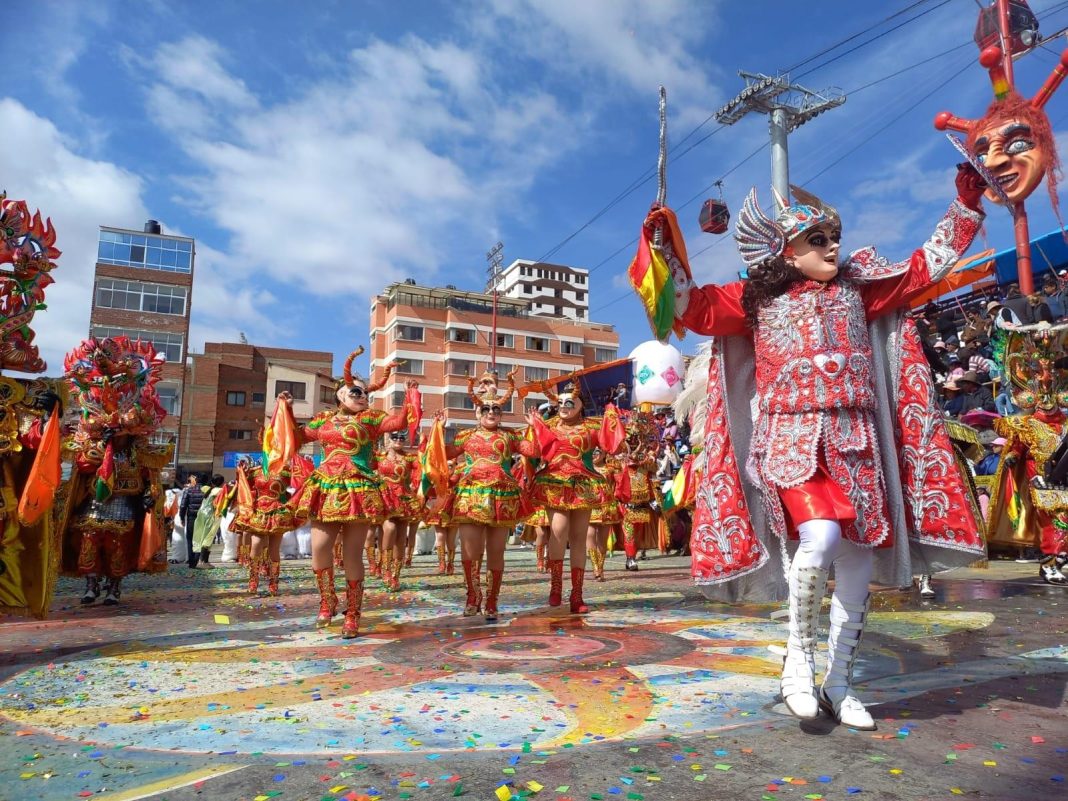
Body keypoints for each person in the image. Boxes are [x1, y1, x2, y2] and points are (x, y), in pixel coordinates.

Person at [655, 168, 987, 730]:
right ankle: (797, 667)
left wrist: (966, 205)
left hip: (855, 444)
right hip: (790, 442)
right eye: (817, 240)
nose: (833, 246)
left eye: (834, 236)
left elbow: (924, 266)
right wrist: (664, 247)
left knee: (856, 557)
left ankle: (839, 682)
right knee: (822, 536)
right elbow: (693, 309)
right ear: (785, 253)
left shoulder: (861, 287)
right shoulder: (753, 300)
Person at [285, 348, 412, 637]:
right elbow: (295, 437)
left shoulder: (371, 419)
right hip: (327, 487)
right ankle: (327, 598)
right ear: (340, 395)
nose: (361, 396)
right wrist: (289, 409)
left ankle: (353, 613)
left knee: (353, 554)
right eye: (355, 392)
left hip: (360, 488)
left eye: (364, 392)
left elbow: (399, 423)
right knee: (319, 549)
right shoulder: (323, 421)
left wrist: (409, 399)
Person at [61, 337, 173, 606]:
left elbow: (149, 476)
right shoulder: (93, 447)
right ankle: (91, 585)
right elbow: (83, 467)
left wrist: (150, 495)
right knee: (89, 542)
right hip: (93, 504)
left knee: (118, 548)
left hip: (123, 505)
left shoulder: (137, 450)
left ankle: (114, 587)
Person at [430, 383, 537, 621]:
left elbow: (534, 451)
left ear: (502, 413)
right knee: (470, 550)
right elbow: (443, 454)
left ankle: (491, 600)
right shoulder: (465, 436)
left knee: (496, 551)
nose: (491, 413)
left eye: (497, 409)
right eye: (486, 408)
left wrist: (534, 427)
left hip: (503, 498)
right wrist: (438, 429)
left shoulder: (510, 435)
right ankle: (472, 596)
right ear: (477, 412)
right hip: (471, 496)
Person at [528, 382, 625, 613]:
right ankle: (555, 586)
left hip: (583, 484)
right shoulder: (548, 425)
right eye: (559, 402)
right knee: (558, 530)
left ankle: (577, 594)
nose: (563, 406)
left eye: (569, 402)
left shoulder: (591, 427)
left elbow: (613, 445)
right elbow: (534, 452)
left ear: (581, 405)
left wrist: (612, 417)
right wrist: (533, 429)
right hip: (554, 483)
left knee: (580, 537)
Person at [986, 327, 1068, 584]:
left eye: (1051, 388)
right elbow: (1018, 445)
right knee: (1047, 518)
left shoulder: (1065, 422)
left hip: (1063, 476)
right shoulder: (1028, 423)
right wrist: (1012, 455)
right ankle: (1050, 561)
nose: (1046, 396)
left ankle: (1060, 557)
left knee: (1064, 518)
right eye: (1041, 390)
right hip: (1039, 476)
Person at [378, 431, 420, 591]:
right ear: (388, 439)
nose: (399, 440)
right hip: (384, 498)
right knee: (389, 528)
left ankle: (395, 575)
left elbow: (423, 467)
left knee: (402, 537)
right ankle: (385, 569)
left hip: (403, 498)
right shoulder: (379, 456)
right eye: (395, 437)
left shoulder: (409, 458)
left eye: (402, 437)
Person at [191, 474, 226, 569]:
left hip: (202, 514)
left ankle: (205, 561)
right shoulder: (219, 490)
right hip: (210, 516)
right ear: (222, 483)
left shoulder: (208, 489)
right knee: (208, 537)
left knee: (204, 537)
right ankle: (201, 562)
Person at [180, 475, 205, 568]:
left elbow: (183, 506)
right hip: (203, 518)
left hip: (191, 517)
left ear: (196, 480)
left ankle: (191, 562)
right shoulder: (207, 491)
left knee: (190, 539)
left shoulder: (188, 490)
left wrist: (182, 518)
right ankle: (197, 559)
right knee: (200, 539)